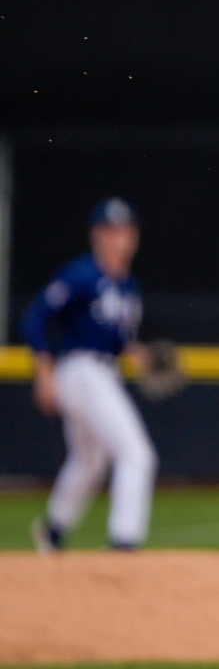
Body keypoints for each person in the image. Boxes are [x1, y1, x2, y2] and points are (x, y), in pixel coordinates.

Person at [24, 198, 160, 554]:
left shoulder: (128, 286)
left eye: (126, 231)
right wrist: (44, 373)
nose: (120, 238)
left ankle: (52, 533)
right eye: (111, 231)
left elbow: (116, 341)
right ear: (96, 236)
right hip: (80, 372)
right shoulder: (81, 275)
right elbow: (35, 318)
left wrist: (135, 353)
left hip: (103, 372)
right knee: (136, 455)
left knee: (89, 460)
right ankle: (124, 545)